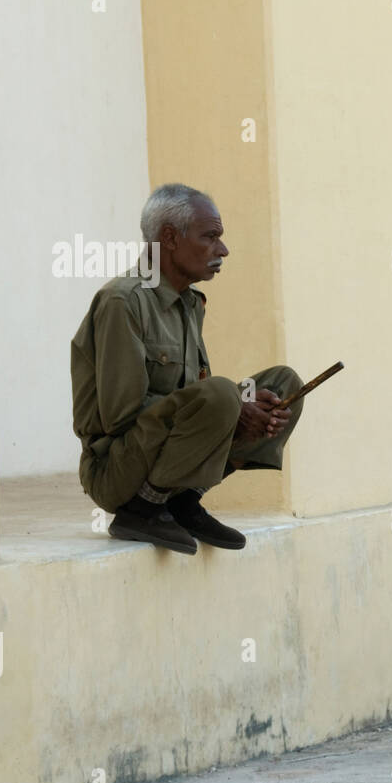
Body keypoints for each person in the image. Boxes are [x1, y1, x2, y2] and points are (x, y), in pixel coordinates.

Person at [70, 183, 304, 554]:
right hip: (116, 470)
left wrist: (247, 406)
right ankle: (143, 509)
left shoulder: (189, 303)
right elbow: (119, 416)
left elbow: (194, 395)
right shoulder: (122, 301)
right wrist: (232, 405)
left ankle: (182, 502)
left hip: (158, 452)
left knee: (283, 384)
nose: (222, 250)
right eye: (210, 237)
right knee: (225, 393)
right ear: (169, 238)